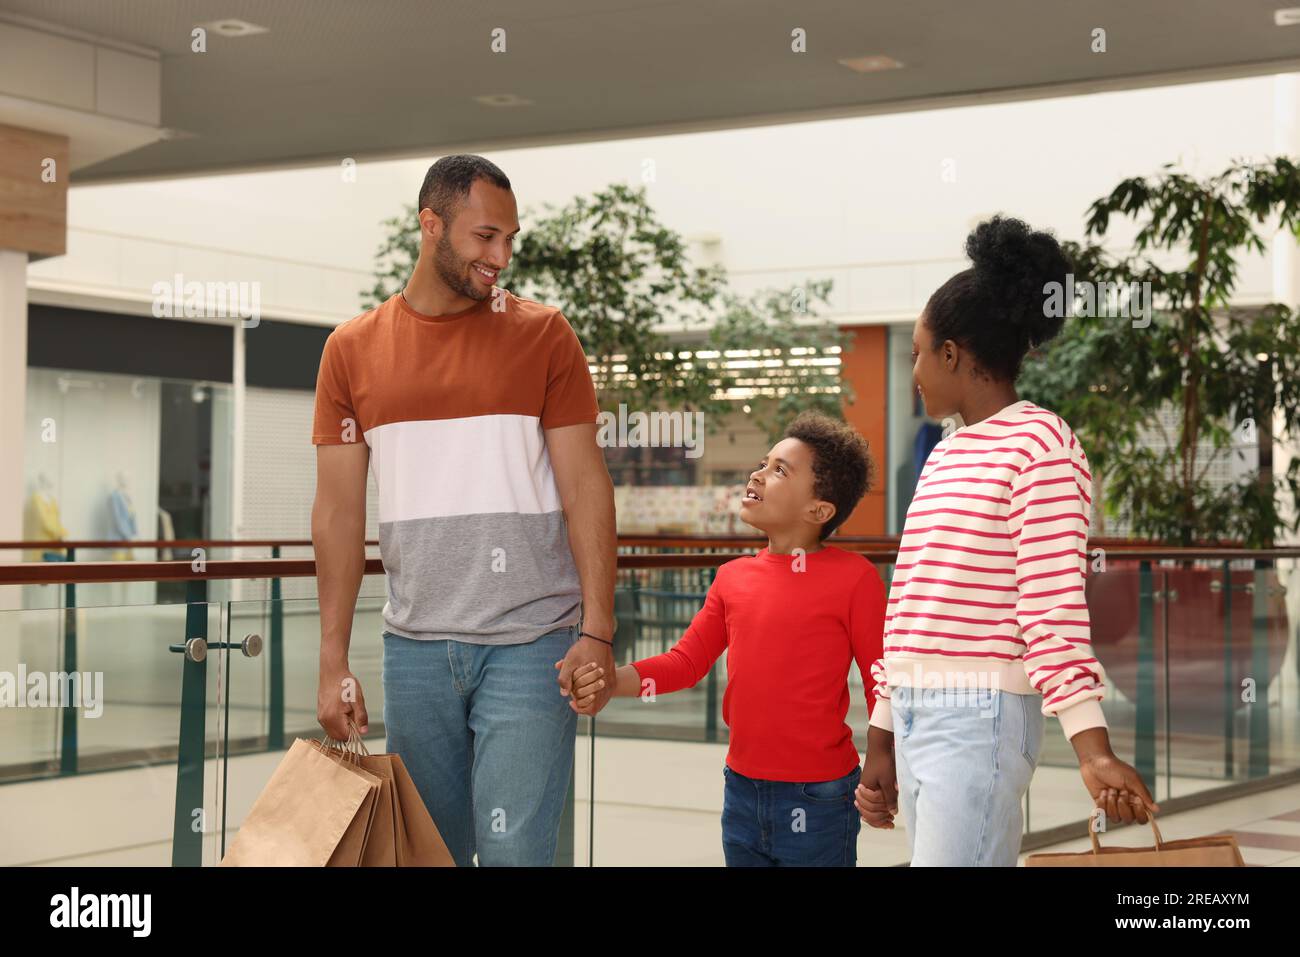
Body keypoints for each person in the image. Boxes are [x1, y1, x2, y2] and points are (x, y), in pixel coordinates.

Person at [310, 154, 617, 866]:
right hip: (413, 648)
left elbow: (585, 488)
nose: (500, 257)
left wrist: (597, 628)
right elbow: (336, 513)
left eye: (510, 239)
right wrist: (332, 658)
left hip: (532, 644)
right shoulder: (350, 351)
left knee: (515, 854)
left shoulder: (545, 336)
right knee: (426, 855)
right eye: (485, 237)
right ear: (431, 226)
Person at [854, 215, 1159, 866]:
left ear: (953, 354)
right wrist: (881, 734)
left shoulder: (1043, 447)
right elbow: (908, 604)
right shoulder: (946, 453)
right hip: (916, 713)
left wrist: (1092, 746)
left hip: (979, 718)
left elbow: (1051, 609)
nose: (913, 373)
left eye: (916, 352)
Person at [572, 412, 886, 866]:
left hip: (820, 797)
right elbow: (686, 663)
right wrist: (609, 682)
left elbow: (881, 679)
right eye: (763, 462)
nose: (757, 473)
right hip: (741, 788)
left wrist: (882, 758)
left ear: (819, 510)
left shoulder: (854, 579)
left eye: (780, 469)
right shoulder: (732, 578)